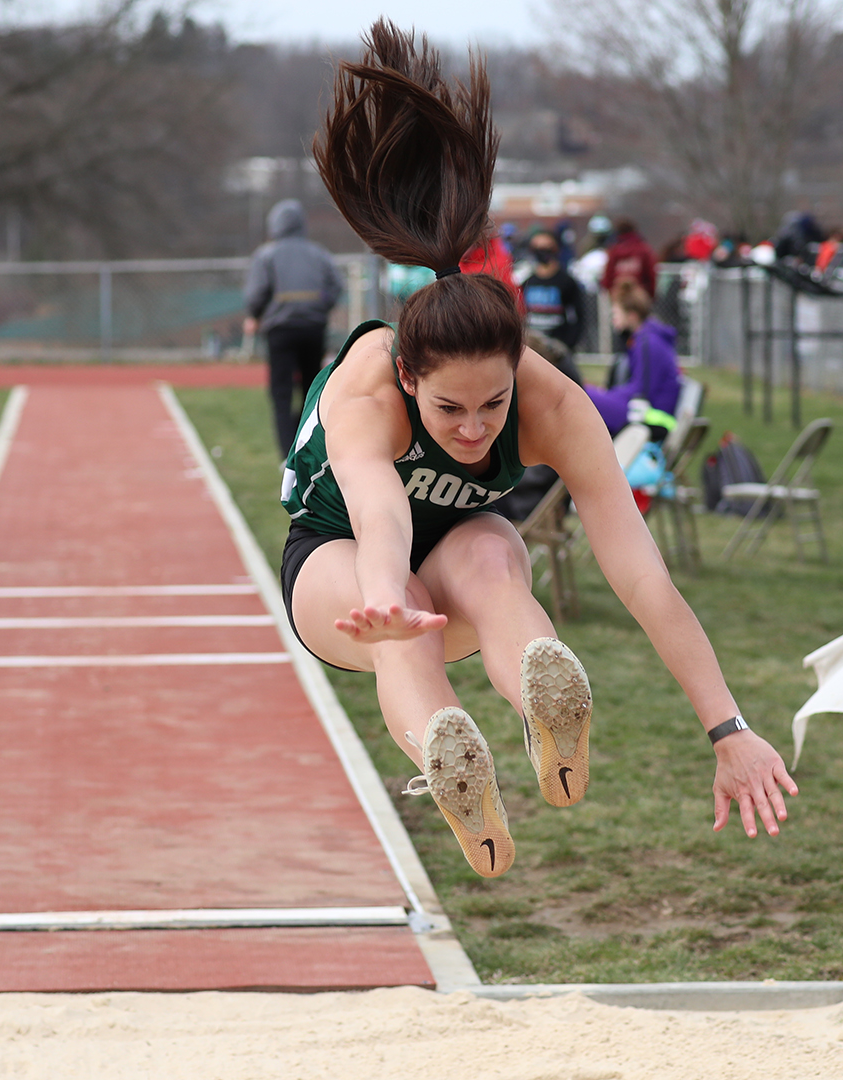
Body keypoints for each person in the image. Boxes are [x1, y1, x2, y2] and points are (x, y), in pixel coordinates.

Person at [282, 21, 795, 879]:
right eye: (449, 409)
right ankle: (451, 758)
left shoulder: (550, 401)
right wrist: (382, 599)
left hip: (455, 568)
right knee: (406, 607)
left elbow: (642, 576)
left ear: (518, 372)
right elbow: (375, 513)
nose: (477, 428)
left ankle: (544, 702)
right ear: (410, 377)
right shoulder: (366, 391)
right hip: (340, 576)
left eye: (494, 403)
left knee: (491, 550)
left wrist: (728, 728)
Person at [244, 198, 343, 455]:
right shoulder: (318, 253)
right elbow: (336, 285)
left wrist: (255, 314)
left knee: (281, 391)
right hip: (313, 328)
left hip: (280, 331)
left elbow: (257, 293)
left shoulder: (266, 254)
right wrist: (321, 307)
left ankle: (286, 452)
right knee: (312, 390)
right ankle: (307, 446)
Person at [586, 280, 681, 437]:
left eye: (616, 313)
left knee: (586, 398)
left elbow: (642, 390)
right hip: (647, 409)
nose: (613, 318)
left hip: (652, 416)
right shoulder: (646, 338)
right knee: (588, 396)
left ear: (632, 315)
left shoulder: (647, 342)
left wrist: (607, 394)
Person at [519, 230, 589, 358]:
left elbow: (579, 316)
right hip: (532, 347)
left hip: (558, 347)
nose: (542, 251)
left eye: (547, 247)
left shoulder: (567, 281)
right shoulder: (527, 282)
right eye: (537, 247)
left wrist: (568, 345)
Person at [599, 218, 656, 298]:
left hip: (618, 293)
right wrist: (651, 293)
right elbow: (650, 273)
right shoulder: (643, 249)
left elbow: (608, 274)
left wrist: (609, 290)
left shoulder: (614, 250)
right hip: (639, 293)